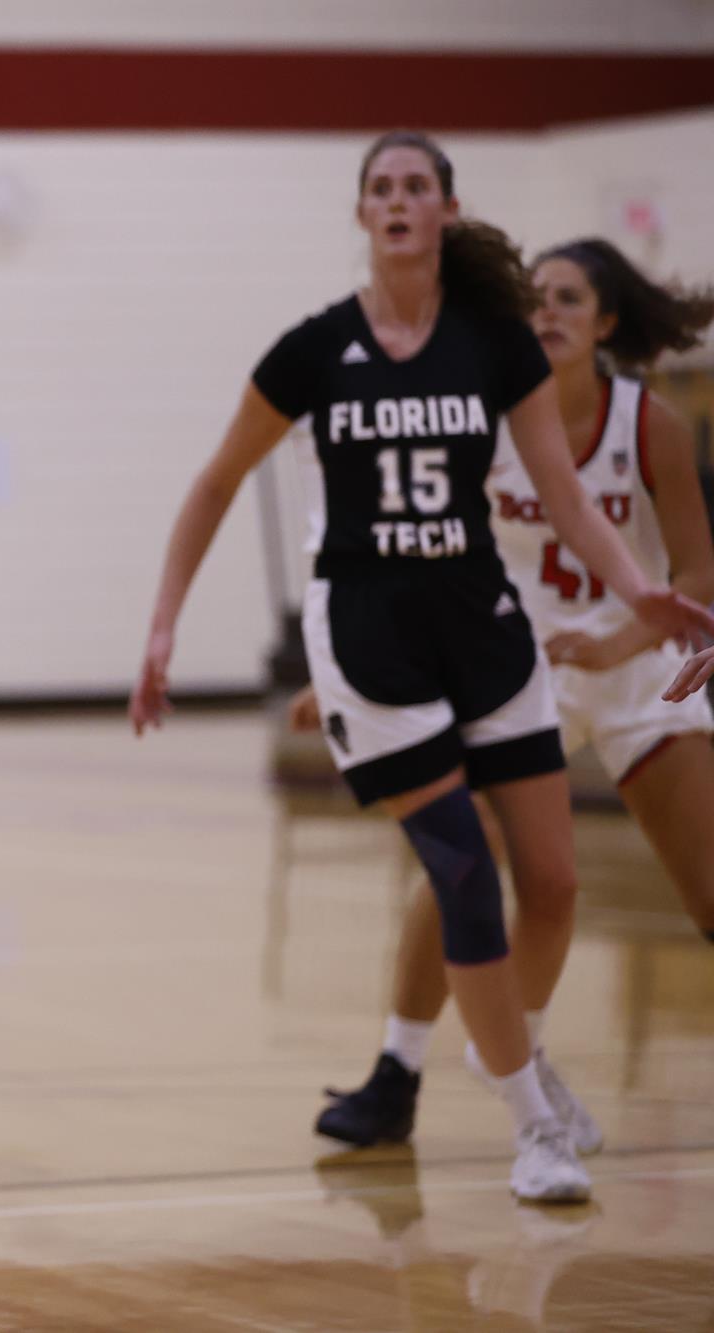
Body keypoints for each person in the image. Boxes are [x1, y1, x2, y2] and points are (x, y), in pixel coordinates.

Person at [131, 130, 714, 1204]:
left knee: (553, 880)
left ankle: (501, 1060)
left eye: (416, 185)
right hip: (377, 641)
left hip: (490, 633)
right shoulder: (315, 350)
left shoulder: (495, 349)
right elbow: (216, 480)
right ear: (362, 213)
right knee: (461, 872)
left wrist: (642, 599)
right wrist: (166, 626)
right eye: (381, 187)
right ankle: (529, 1125)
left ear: (447, 208)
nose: (398, 200)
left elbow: (571, 498)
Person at [295, 238, 714, 1150]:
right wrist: (344, 665)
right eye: (535, 298)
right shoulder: (476, 414)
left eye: (568, 299)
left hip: (635, 660)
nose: (546, 312)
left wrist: (618, 643)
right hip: (510, 659)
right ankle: (399, 1072)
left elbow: (697, 573)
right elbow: (399, 546)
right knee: (463, 857)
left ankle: (514, 1054)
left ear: (606, 323)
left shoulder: (650, 425)